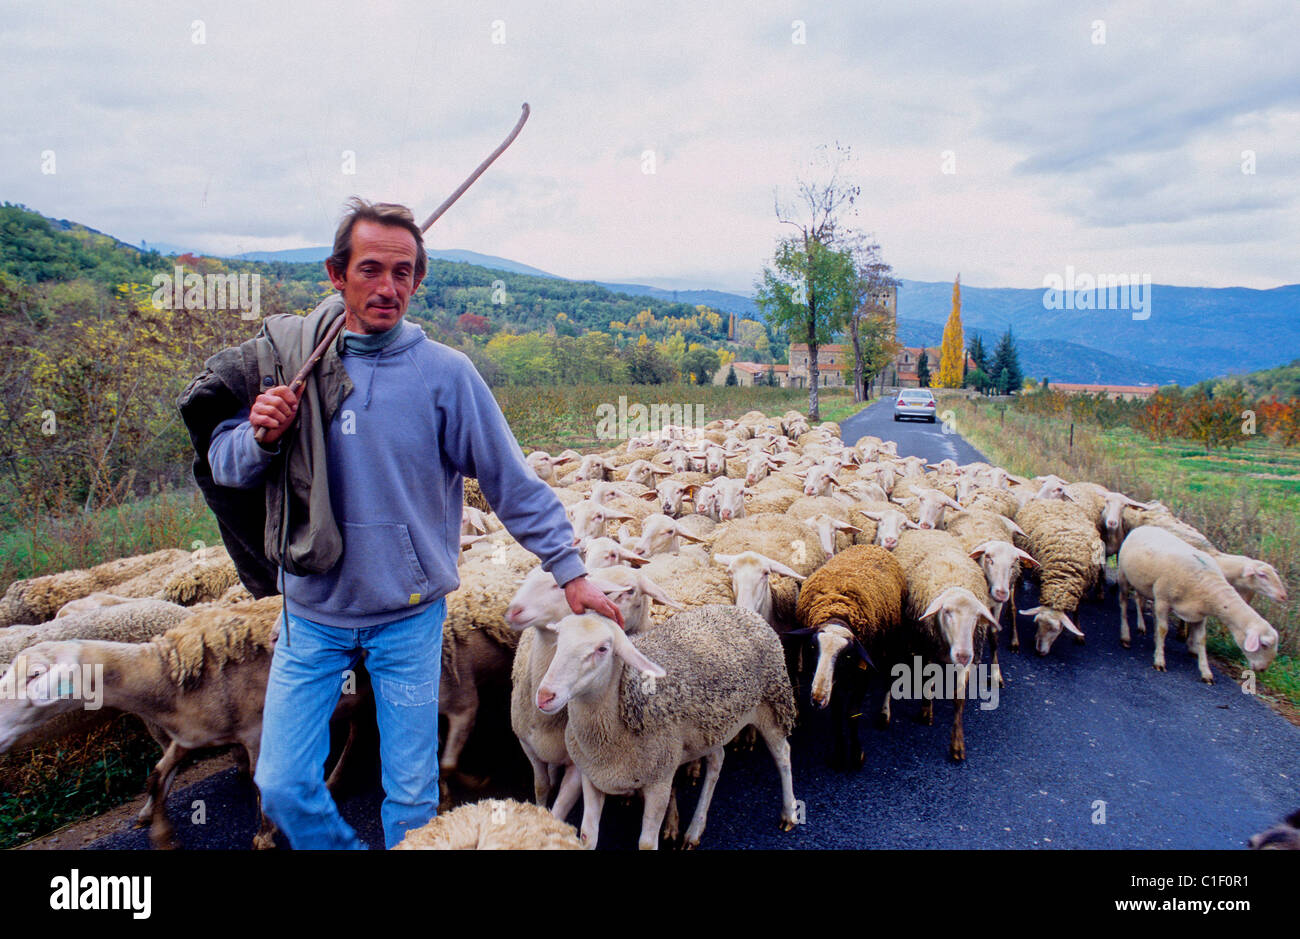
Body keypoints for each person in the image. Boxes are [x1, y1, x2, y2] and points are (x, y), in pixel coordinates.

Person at [203, 198, 622, 849]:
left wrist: (570, 572)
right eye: (370, 268)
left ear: (418, 281)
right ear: (336, 274)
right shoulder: (292, 366)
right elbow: (227, 465)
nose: (388, 286)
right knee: (283, 782)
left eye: (403, 272)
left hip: (409, 612)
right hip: (313, 611)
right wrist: (261, 433)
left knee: (411, 799)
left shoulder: (445, 376)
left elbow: (510, 482)